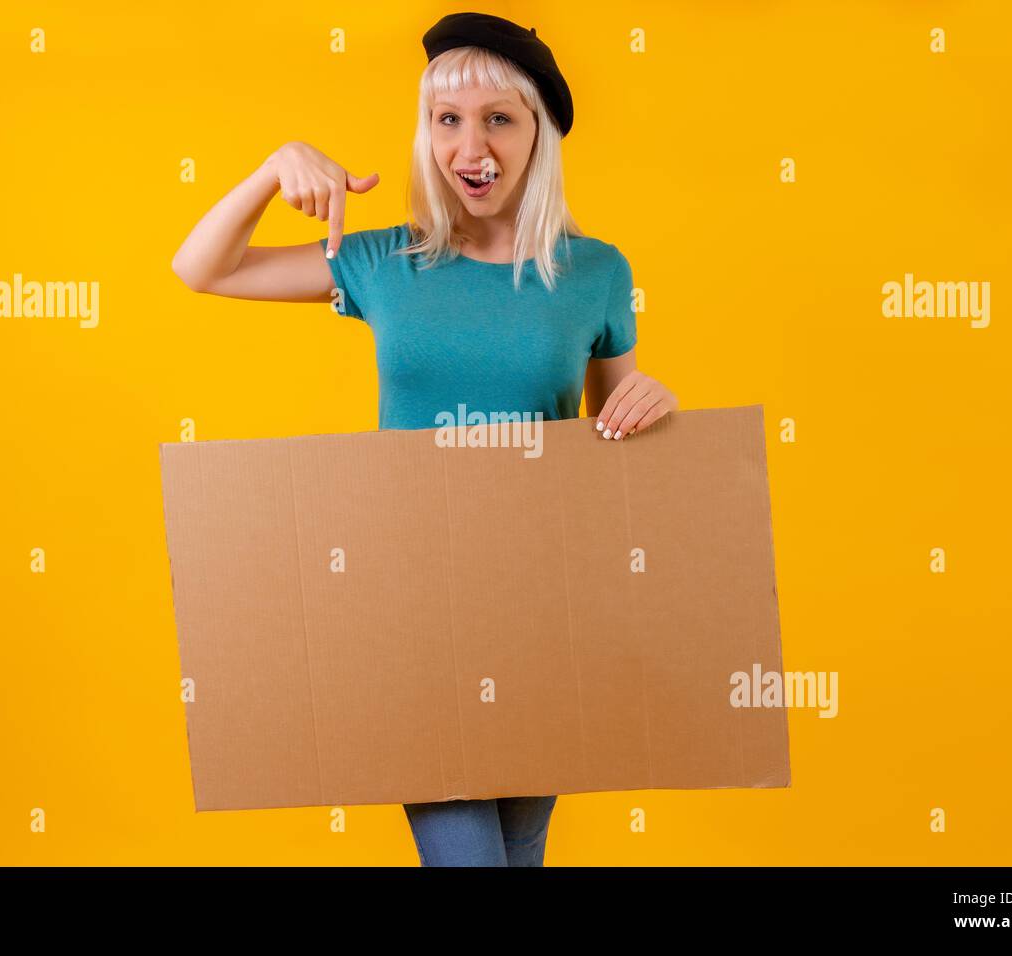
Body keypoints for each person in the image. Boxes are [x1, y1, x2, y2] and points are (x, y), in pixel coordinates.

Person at [170, 12, 678, 866]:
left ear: (541, 133)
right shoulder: (383, 264)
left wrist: (653, 401)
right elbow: (203, 268)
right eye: (447, 120)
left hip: (540, 606)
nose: (469, 146)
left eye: (498, 119)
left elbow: (615, 439)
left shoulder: (594, 273)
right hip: (409, 605)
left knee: (520, 851)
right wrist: (271, 169)